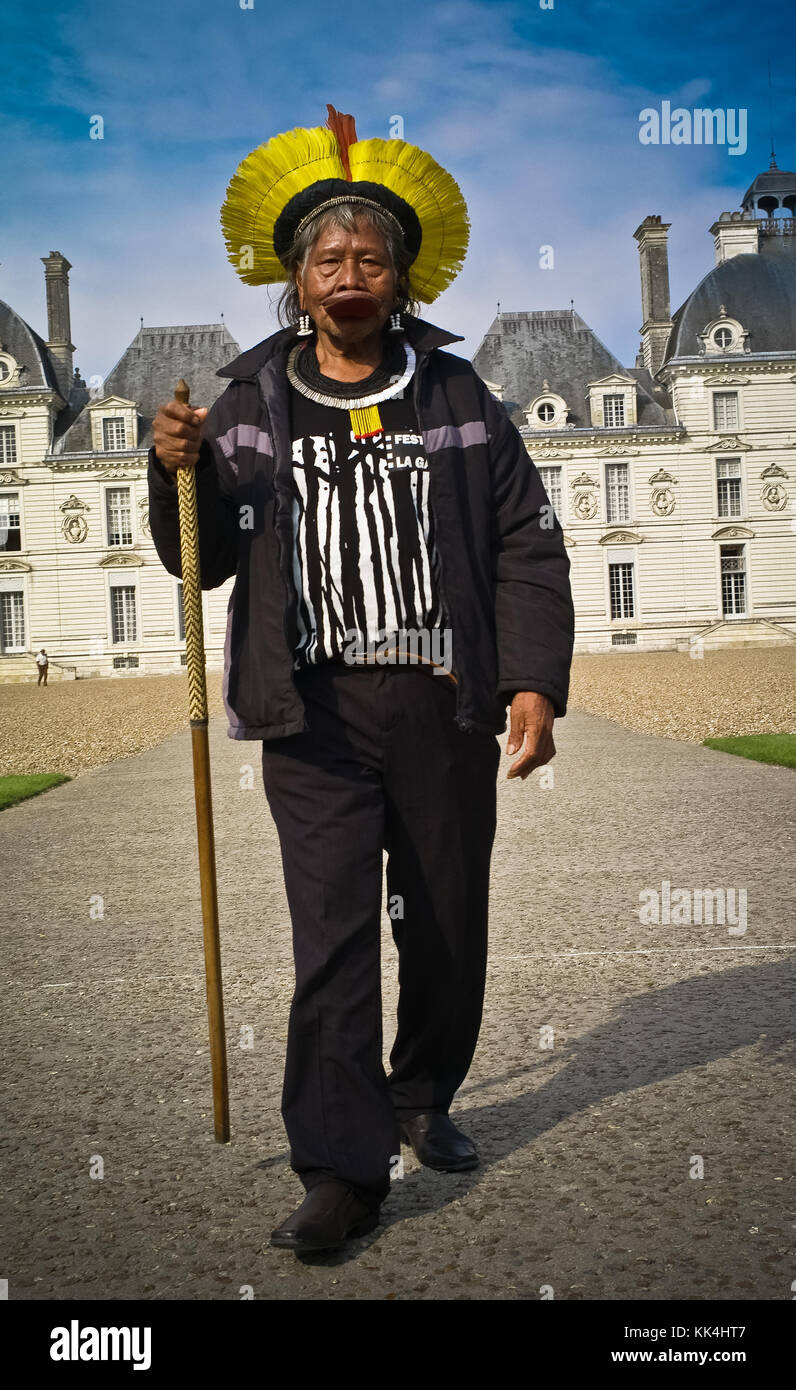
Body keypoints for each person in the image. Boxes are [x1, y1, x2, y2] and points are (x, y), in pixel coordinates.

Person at [147, 106, 575, 1253]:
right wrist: (170, 474)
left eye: (369, 259)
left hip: (440, 701)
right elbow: (205, 557)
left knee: (442, 921)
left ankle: (421, 1095)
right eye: (327, 259)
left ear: (399, 278)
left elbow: (526, 538)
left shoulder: (458, 397)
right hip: (314, 710)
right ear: (295, 279)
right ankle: (341, 1169)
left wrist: (533, 678)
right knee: (331, 938)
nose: (348, 274)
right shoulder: (247, 403)